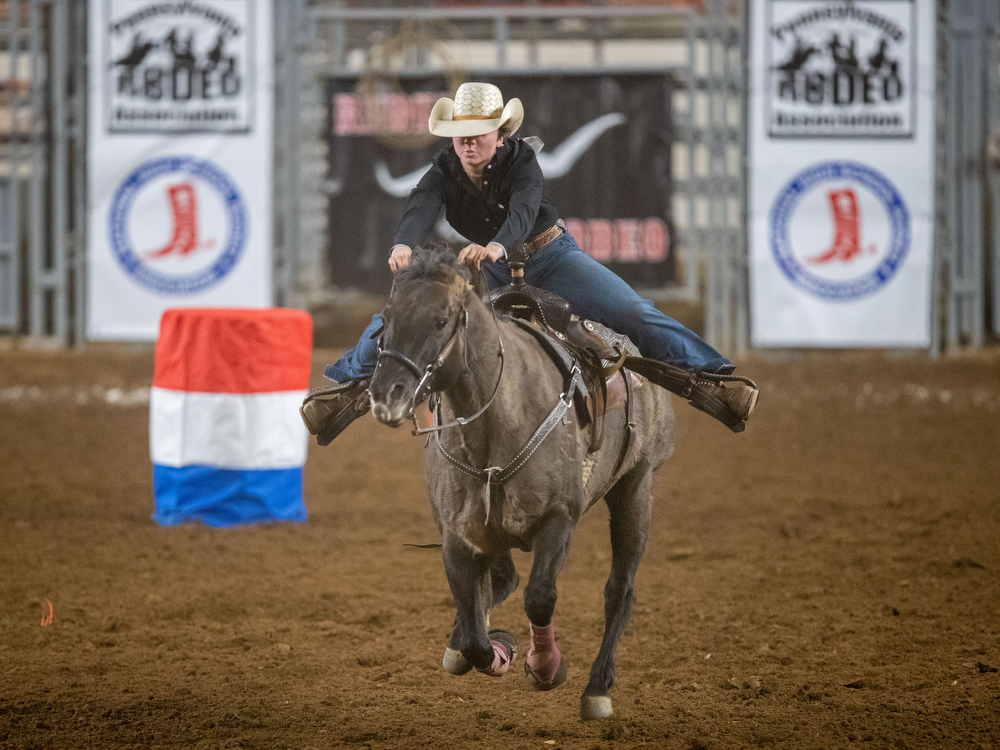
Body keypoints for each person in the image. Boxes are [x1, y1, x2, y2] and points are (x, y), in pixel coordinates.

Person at [301, 82, 758, 445]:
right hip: (494, 272)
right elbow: (421, 205)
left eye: (478, 133)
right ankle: (347, 391)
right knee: (413, 317)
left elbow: (523, 211)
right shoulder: (445, 168)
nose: (467, 142)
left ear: (500, 136)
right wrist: (403, 244)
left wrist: (497, 248)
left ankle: (712, 380)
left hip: (553, 259)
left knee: (632, 312)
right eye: (460, 133)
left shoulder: (523, 163)